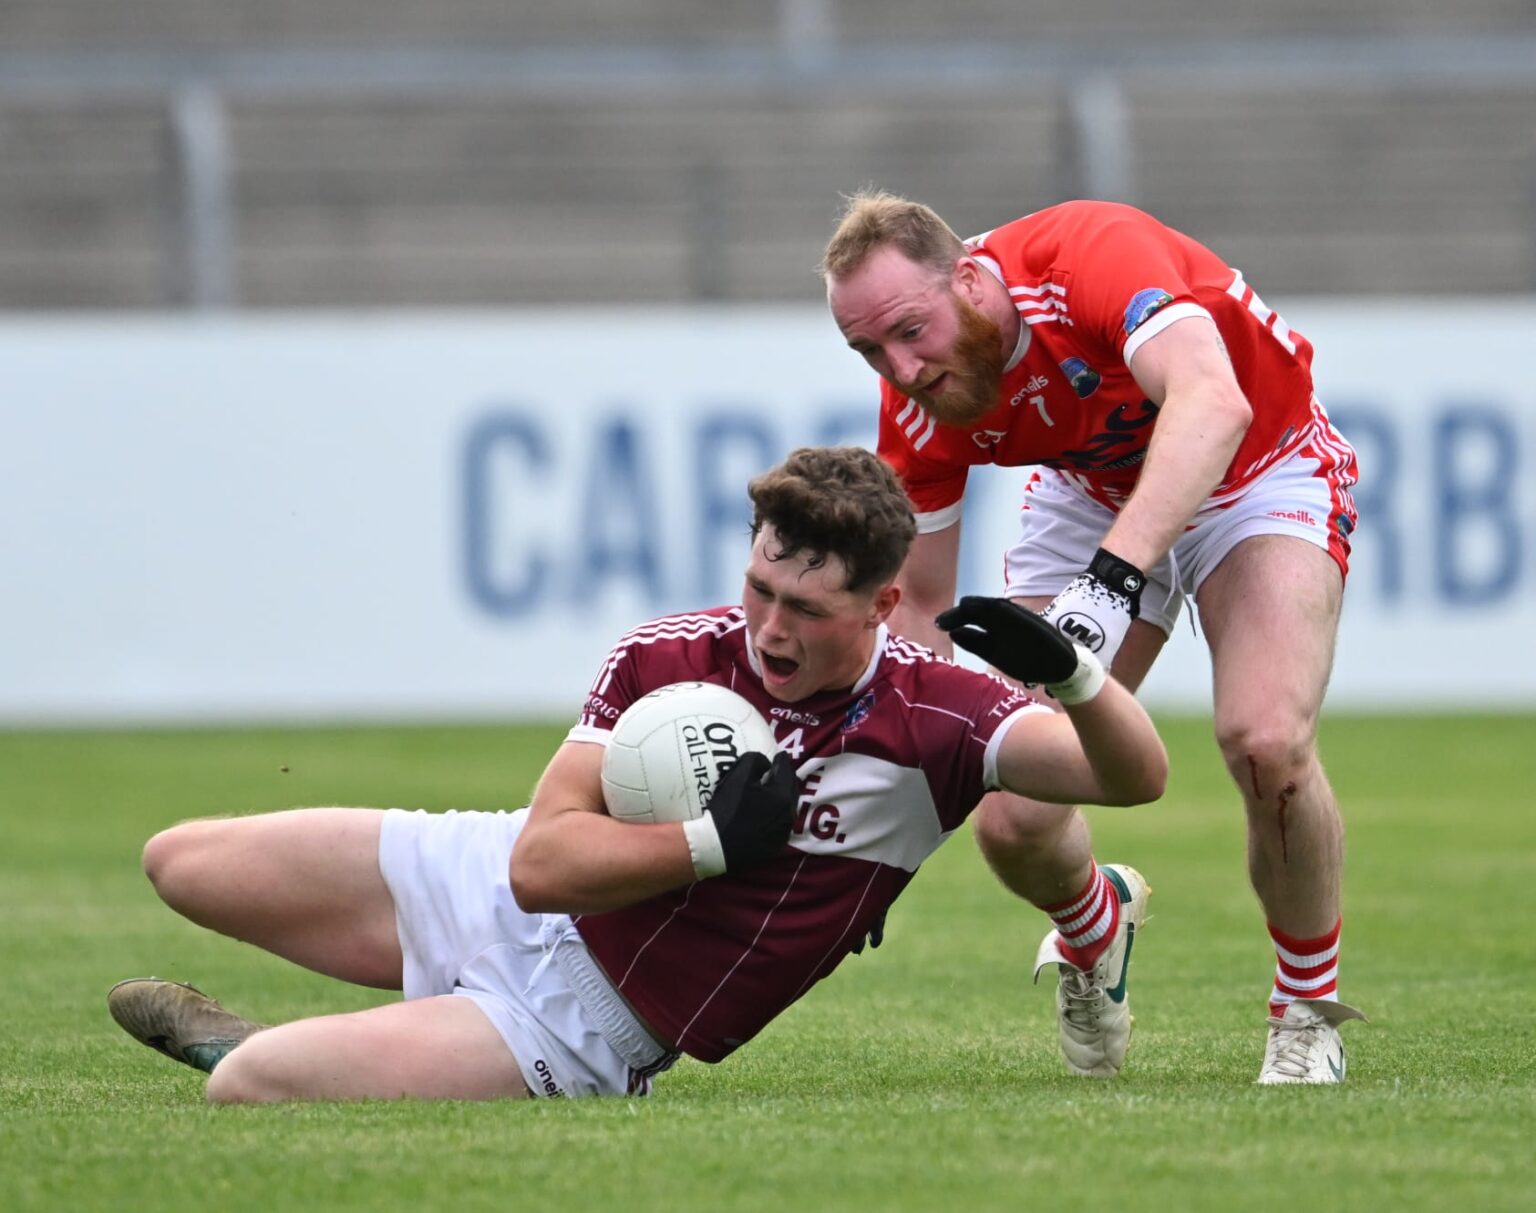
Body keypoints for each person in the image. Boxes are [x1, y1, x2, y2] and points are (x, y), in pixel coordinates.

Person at [107, 445, 1166, 1103]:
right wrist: (713, 844)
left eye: (807, 608)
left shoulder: (939, 716)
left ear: (883, 607)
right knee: (181, 862)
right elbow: (536, 863)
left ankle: (321, 1050)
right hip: (483, 875)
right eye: (758, 586)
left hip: (583, 1020)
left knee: (254, 1082)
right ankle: (399, 1030)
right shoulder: (668, 652)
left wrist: (1075, 675)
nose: (767, 627)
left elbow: (1133, 778)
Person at [822, 193, 1366, 1086]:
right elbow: (916, 602)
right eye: (869, 350)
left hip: (1261, 466)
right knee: (1011, 811)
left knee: (1265, 740)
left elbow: (1213, 402)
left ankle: (1305, 1008)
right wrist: (897, 809)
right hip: (1095, 492)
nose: (901, 367)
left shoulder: (1088, 257)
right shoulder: (917, 402)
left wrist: (1113, 581)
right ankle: (1095, 926)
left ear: (968, 280)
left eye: (910, 331)